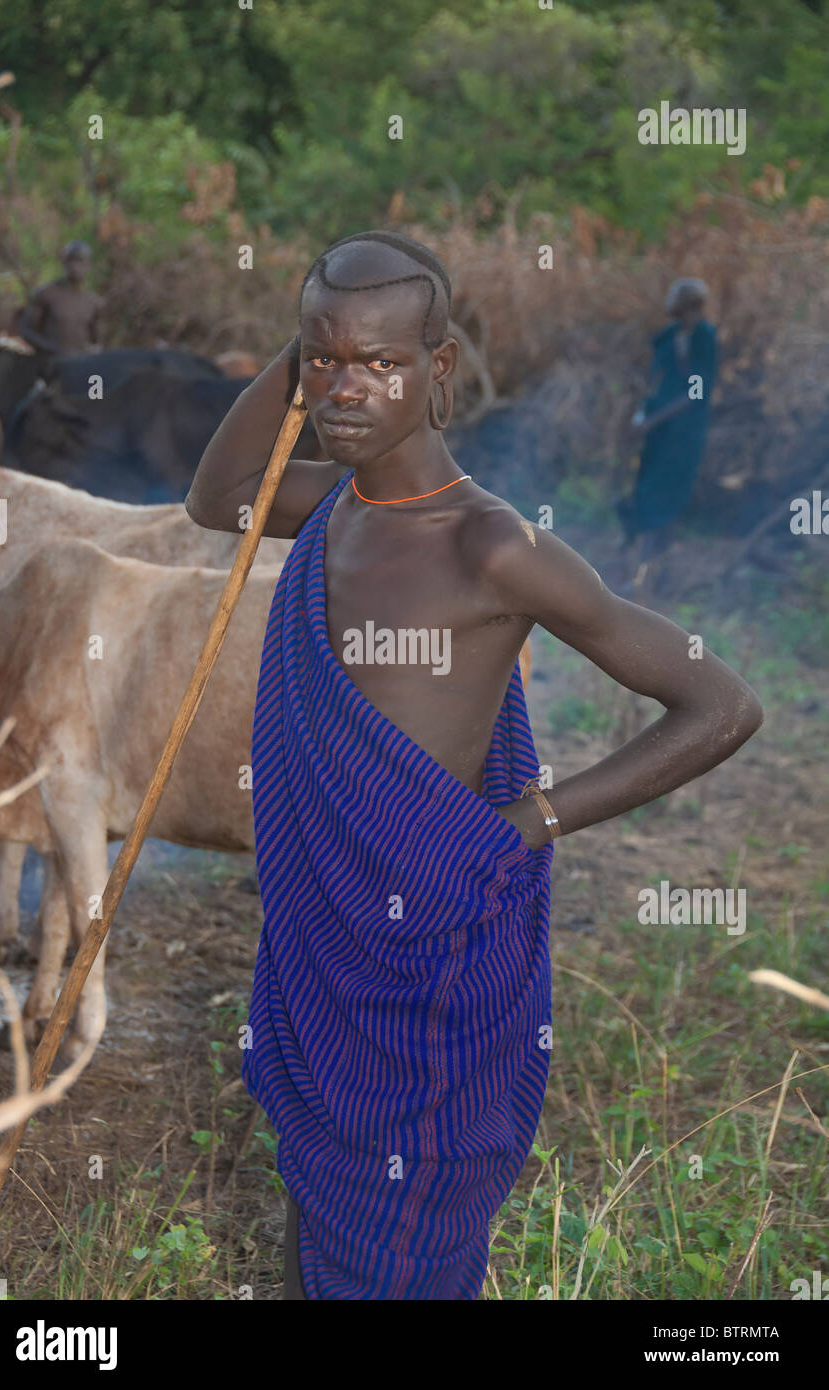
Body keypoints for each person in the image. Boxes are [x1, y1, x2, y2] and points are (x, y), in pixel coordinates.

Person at [185, 231, 761, 1301]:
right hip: (327, 949)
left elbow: (719, 701)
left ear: (438, 369)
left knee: (404, 1237)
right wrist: (298, 350)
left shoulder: (489, 546)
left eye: (381, 361)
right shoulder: (333, 509)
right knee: (319, 1216)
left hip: (427, 964)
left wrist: (532, 817)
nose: (347, 387)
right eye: (326, 362)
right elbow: (216, 498)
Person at [619, 278, 717, 592]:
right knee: (646, 492)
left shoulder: (704, 338)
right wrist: (640, 417)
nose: (669, 297)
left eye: (676, 294)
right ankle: (651, 571)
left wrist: (652, 421)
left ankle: (648, 575)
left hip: (683, 435)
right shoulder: (669, 337)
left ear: (690, 303)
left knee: (663, 495)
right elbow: (654, 383)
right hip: (657, 434)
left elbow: (695, 393)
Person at [14, 240, 102, 374]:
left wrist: (90, 353)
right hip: (49, 367)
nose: (74, 266)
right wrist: (54, 349)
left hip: (81, 368)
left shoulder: (93, 301)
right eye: (70, 260)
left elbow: (96, 341)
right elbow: (25, 331)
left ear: (88, 265)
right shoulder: (45, 294)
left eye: (80, 261)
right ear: (63, 262)